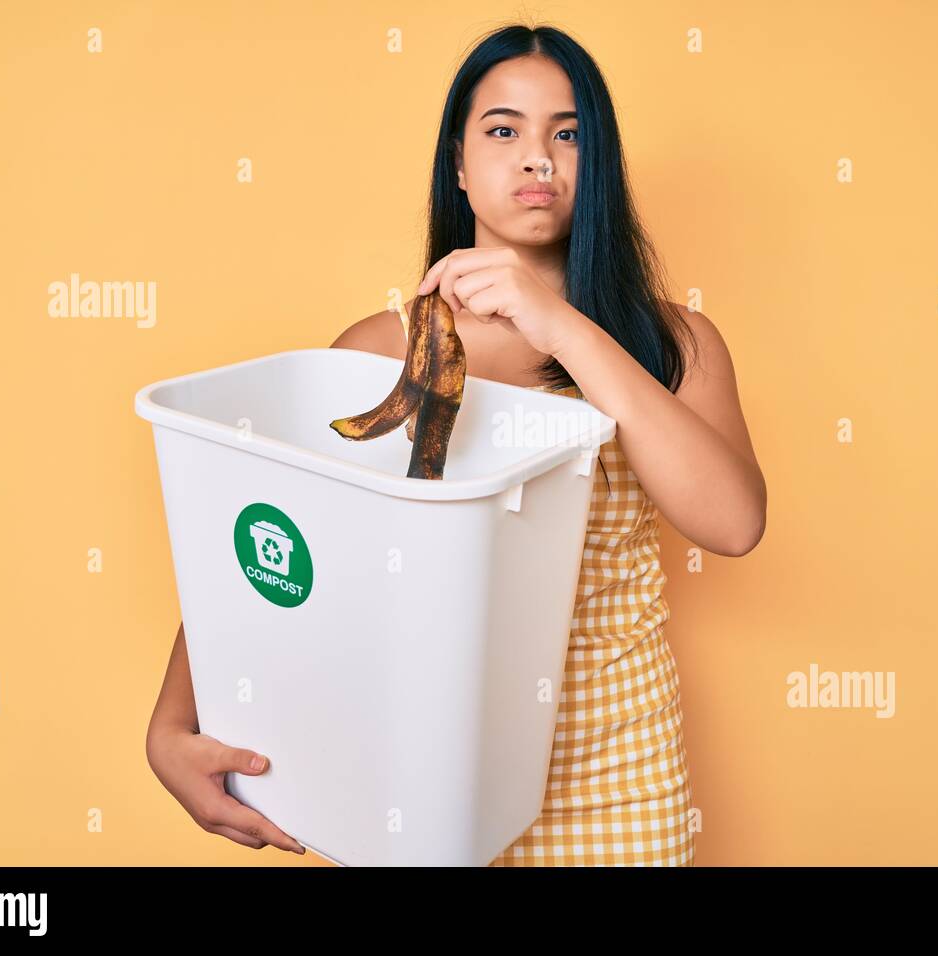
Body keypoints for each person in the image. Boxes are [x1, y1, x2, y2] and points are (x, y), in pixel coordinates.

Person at [146, 22, 766, 866]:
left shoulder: (673, 344)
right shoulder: (379, 353)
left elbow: (732, 524)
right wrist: (171, 723)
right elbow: (281, 538)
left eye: (569, 133)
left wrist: (566, 329)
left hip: (617, 778)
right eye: (503, 130)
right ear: (461, 165)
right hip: (410, 778)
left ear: (601, 165)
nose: (537, 158)